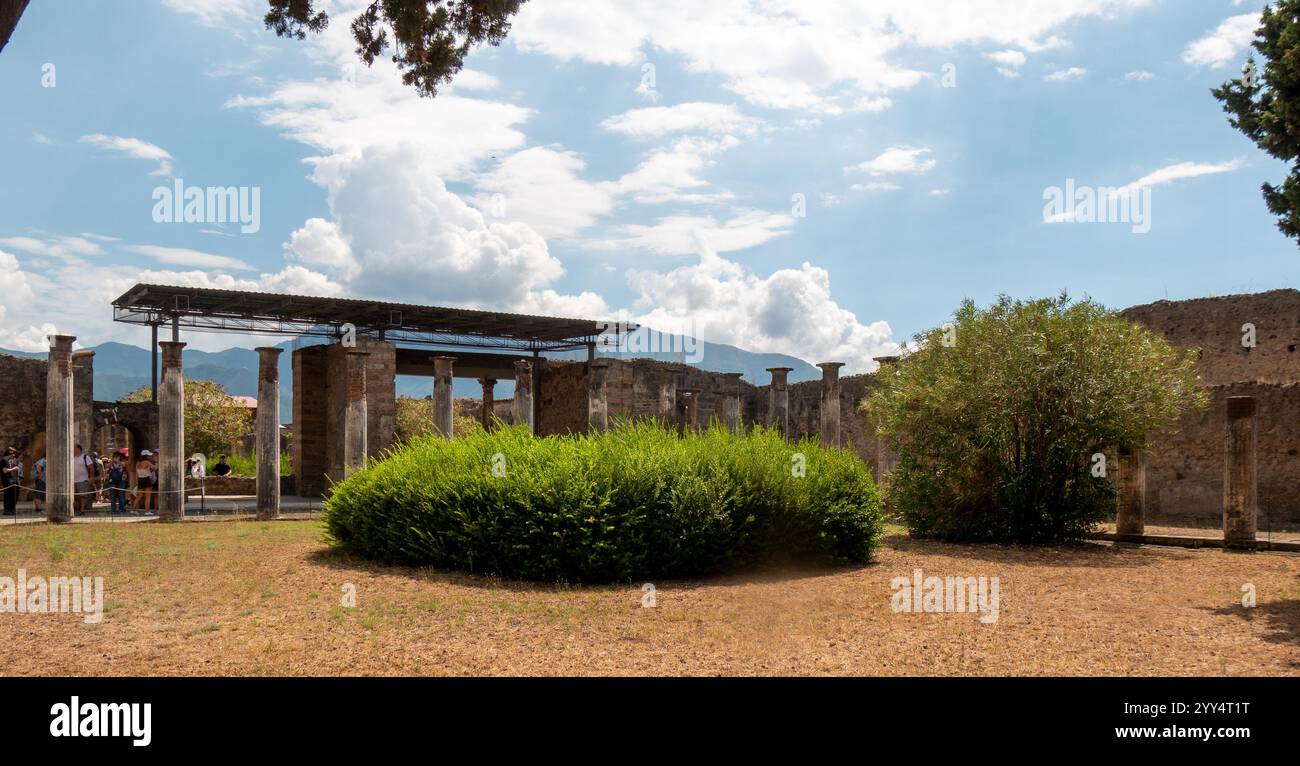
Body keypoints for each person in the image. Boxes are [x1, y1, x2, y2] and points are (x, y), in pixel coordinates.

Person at [72, 445, 95, 515]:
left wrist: (91, 477)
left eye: (75, 449)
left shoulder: (85, 457)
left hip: (83, 479)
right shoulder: (72, 457)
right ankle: (76, 509)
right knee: (75, 496)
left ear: (79, 449)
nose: (74, 450)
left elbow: (91, 467)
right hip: (73, 480)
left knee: (82, 495)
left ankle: (82, 510)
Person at [132, 450, 156, 515]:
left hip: (140, 479)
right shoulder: (146, 462)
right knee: (148, 496)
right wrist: (157, 462)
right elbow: (154, 468)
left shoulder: (138, 463)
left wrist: (137, 482)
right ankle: (147, 511)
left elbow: (136, 474)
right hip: (146, 479)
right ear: (146, 456)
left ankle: (133, 510)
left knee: (139, 496)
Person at [0, 447, 19, 516]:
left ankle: (10, 509)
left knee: (12, 495)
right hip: (7, 481)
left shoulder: (7, 460)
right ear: (10, 453)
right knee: (9, 496)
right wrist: (14, 468)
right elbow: (4, 470)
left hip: (10, 481)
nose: (14, 455)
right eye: (14, 453)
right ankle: (8, 510)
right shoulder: (5, 460)